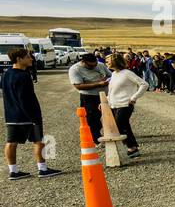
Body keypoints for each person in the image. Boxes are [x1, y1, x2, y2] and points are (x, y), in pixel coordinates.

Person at [4, 47, 59, 179]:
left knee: (11, 142)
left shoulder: (5, 74)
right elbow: (25, 98)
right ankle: (42, 169)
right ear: (19, 59)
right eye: (28, 56)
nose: (31, 58)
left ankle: (13, 171)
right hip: (28, 115)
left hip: (11, 115)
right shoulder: (24, 76)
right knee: (38, 141)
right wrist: (33, 117)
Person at [106, 53, 148, 158]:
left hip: (125, 104)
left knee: (119, 126)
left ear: (115, 61)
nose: (106, 62)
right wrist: (106, 101)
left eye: (108, 60)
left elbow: (144, 84)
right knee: (124, 126)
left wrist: (134, 97)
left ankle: (131, 147)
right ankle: (133, 148)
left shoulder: (127, 73)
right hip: (114, 104)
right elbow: (112, 90)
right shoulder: (114, 74)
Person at [69, 52, 111, 142]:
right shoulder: (75, 69)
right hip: (89, 97)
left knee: (108, 116)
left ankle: (109, 133)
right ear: (83, 62)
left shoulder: (100, 65)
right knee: (92, 119)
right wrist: (98, 84)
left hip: (104, 96)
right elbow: (78, 86)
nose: (94, 67)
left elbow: (110, 75)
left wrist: (108, 80)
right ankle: (96, 138)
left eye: (95, 65)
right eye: (91, 66)